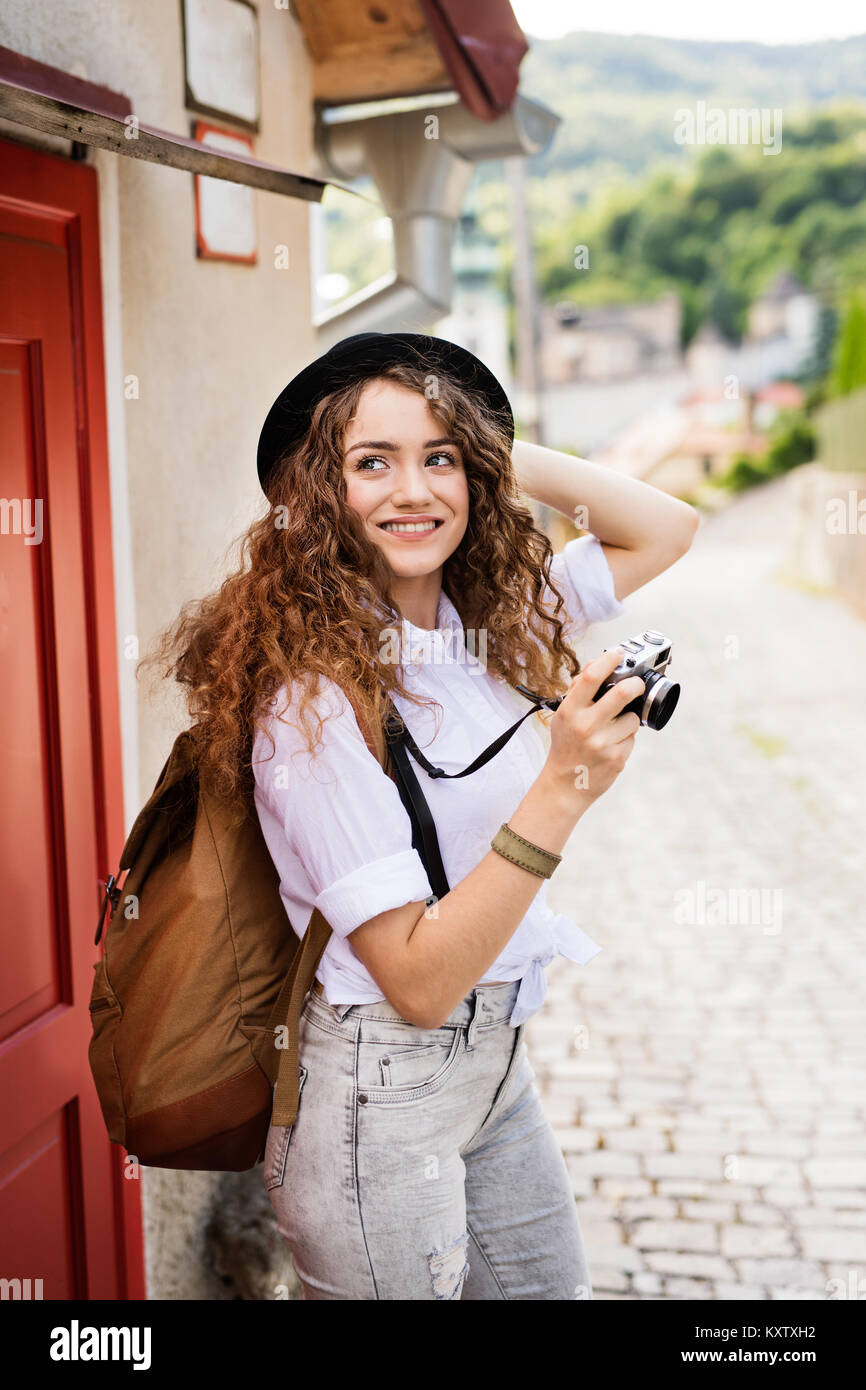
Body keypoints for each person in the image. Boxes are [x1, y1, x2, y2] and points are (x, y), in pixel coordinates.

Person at [149, 332, 699, 1299]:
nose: (413, 491)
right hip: (380, 1098)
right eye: (372, 464)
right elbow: (417, 981)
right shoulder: (309, 701)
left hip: (495, 1073)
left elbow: (664, 526)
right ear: (319, 496)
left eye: (438, 460)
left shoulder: (488, 621)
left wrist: (477, 440)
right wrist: (564, 785)